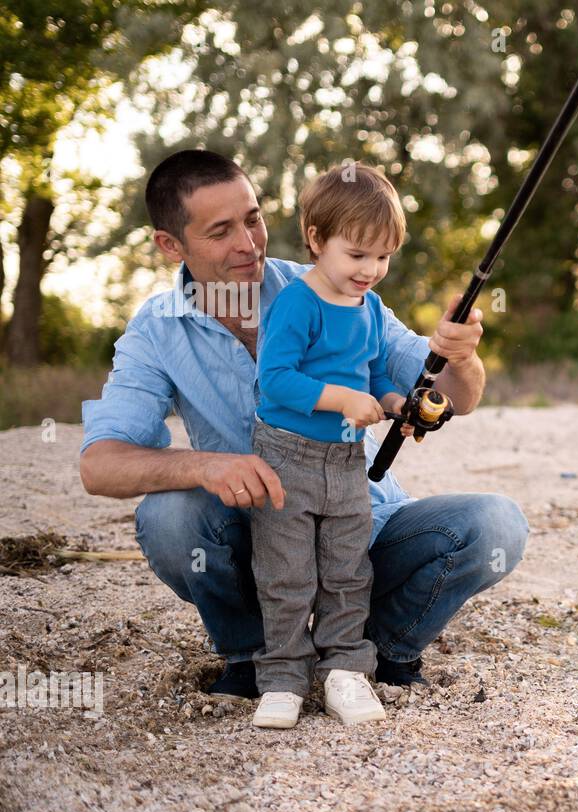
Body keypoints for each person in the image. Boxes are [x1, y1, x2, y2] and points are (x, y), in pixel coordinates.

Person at [78, 149, 528, 702]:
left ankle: (382, 650)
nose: (248, 244)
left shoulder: (340, 285)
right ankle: (250, 654)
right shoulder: (154, 332)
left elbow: (452, 397)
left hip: (362, 520)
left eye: (253, 218)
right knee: (169, 515)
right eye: (221, 231)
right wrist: (207, 466)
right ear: (171, 245)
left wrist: (460, 357)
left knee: (495, 525)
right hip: (258, 536)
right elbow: (101, 465)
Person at [249, 162, 415, 729]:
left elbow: (369, 377)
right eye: (358, 254)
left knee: (348, 569)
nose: (371, 270)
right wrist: (342, 400)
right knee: (288, 573)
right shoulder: (299, 302)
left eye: (383, 257)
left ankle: (345, 670)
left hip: (347, 459)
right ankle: (282, 677)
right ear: (317, 240)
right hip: (286, 455)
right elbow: (276, 380)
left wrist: (393, 404)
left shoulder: (368, 309)